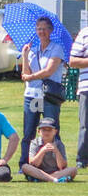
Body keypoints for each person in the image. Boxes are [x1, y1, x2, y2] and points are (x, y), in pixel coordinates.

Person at [19, 15, 65, 167]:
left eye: (45, 29)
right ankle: (25, 164)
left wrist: (30, 76)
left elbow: (49, 71)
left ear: (50, 30)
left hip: (49, 95)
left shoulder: (56, 48)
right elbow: (25, 74)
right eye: (39, 28)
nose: (42, 31)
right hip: (32, 95)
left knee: (52, 129)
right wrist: (25, 55)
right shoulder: (33, 49)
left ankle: (55, 164)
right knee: (29, 131)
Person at [20, 117, 77, 182]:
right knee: (25, 167)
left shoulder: (59, 144)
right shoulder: (34, 143)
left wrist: (56, 151)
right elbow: (33, 164)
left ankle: (42, 179)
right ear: (38, 131)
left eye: (49, 130)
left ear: (55, 132)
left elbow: (62, 166)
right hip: (39, 171)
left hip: (55, 172)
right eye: (44, 130)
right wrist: (42, 151)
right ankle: (54, 180)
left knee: (73, 170)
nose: (46, 132)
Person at [69, 22, 88, 171]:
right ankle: (82, 159)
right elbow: (73, 61)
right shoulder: (84, 33)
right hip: (86, 87)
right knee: (85, 125)